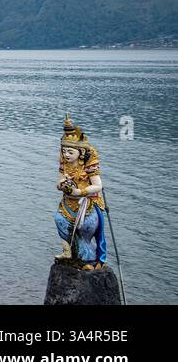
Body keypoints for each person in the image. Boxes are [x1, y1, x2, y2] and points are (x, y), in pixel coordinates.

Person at [55, 115, 108, 268]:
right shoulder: (65, 164)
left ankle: (89, 259)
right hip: (67, 203)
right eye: (64, 151)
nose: (66, 155)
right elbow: (58, 182)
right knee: (60, 221)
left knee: (84, 230)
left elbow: (98, 186)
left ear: (81, 153)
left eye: (70, 152)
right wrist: (62, 185)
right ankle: (68, 252)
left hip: (86, 204)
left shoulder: (88, 163)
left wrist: (79, 192)